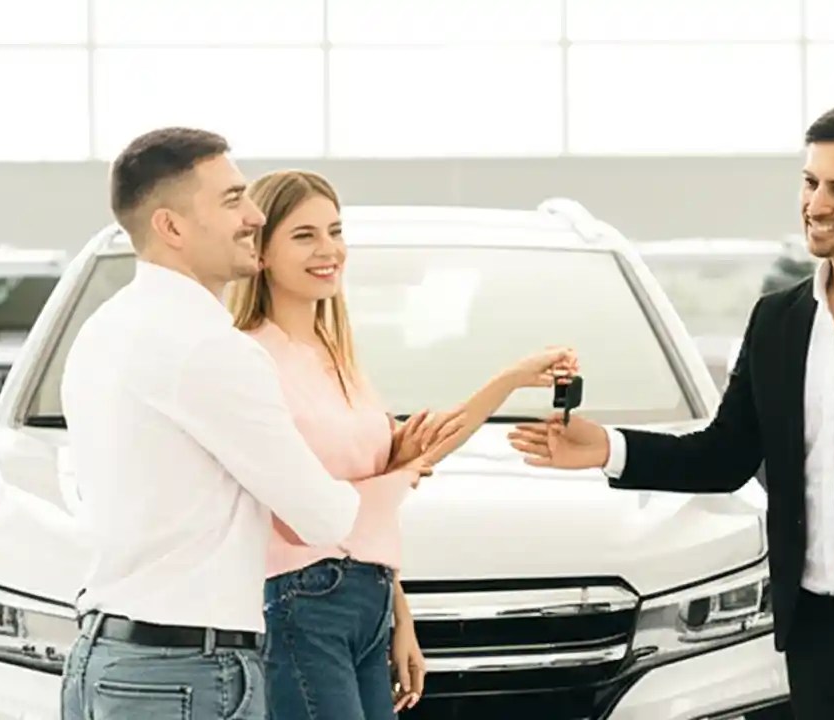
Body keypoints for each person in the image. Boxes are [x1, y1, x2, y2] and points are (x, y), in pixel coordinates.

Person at [508, 100, 834, 719]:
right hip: (812, 638)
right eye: (810, 182)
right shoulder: (778, 318)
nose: (816, 203)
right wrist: (609, 448)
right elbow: (725, 453)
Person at [226, 169, 578, 718]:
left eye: (336, 231)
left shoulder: (335, 358)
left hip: (366, 601)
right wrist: (396, 476)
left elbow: (417, 456)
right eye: (305, 235)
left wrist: (399, 615)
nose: (329, 250)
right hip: (300, 602)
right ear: (262, 253)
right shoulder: (249, 358)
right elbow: (319, 498)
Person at [59, 128, 362, 719]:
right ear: (171, 227)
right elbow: (322, 515)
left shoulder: (104, 328)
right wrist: (386, 475)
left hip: (105, 663)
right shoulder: (208, 348)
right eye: (231, 200)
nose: (253, 216)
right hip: (185, 674)